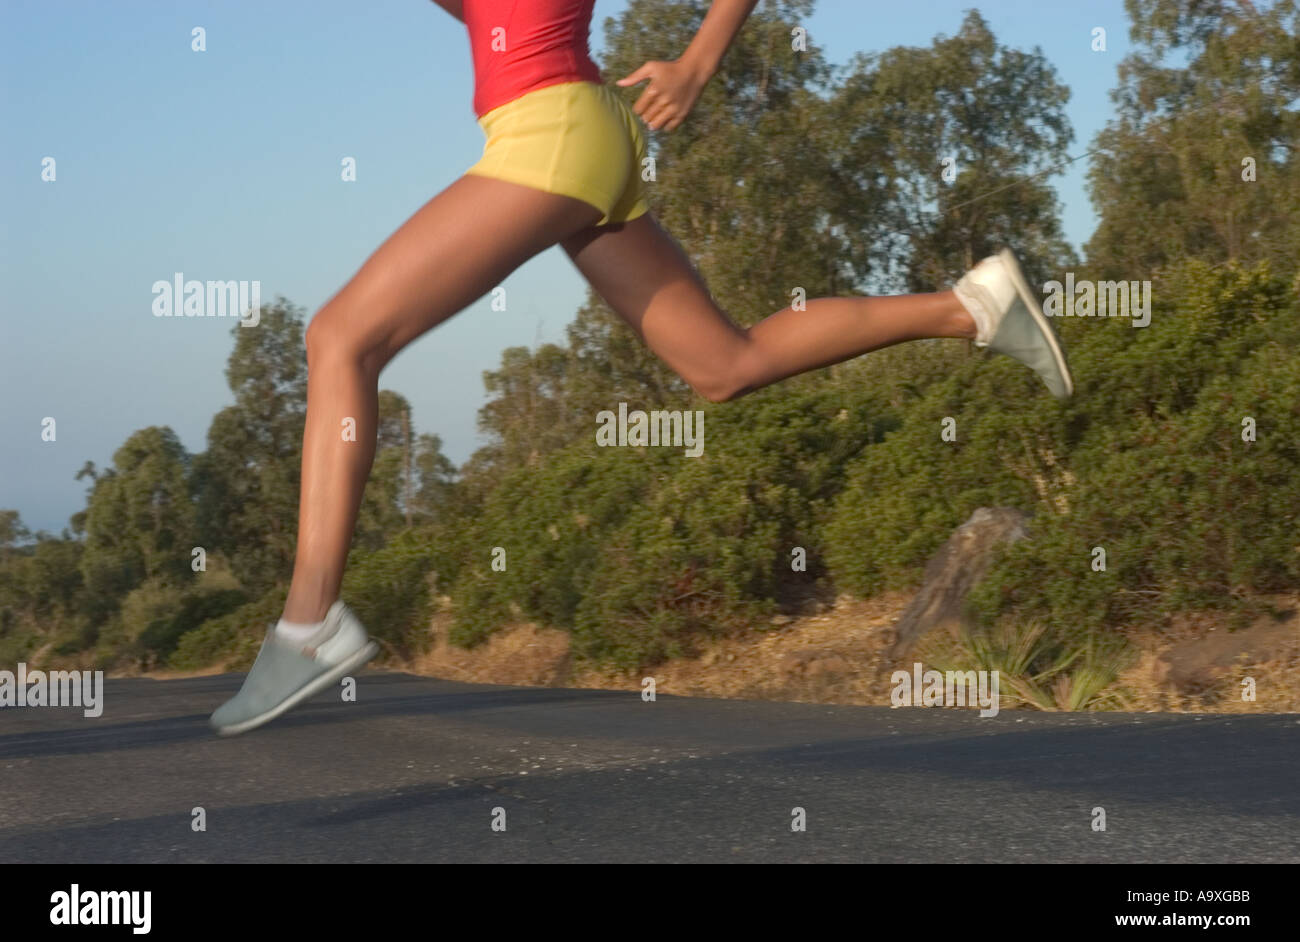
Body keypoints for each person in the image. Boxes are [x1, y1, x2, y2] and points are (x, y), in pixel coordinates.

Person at [209, 0, 1072, 736]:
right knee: (723, 364)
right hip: (579, 130)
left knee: (339, 337)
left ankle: (308, 621)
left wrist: (699, 62)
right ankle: (971, 307)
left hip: (549, 136)